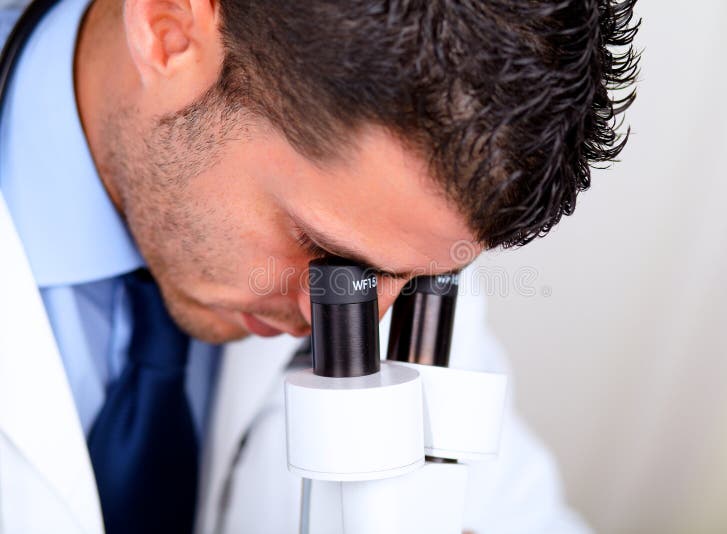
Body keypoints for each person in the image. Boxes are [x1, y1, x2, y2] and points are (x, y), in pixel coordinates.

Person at [0, 0, 638, 532]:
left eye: (415, 279)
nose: (364, 317)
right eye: (323, 250)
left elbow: (519, 512)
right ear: (169, 31)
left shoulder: (398, 245)